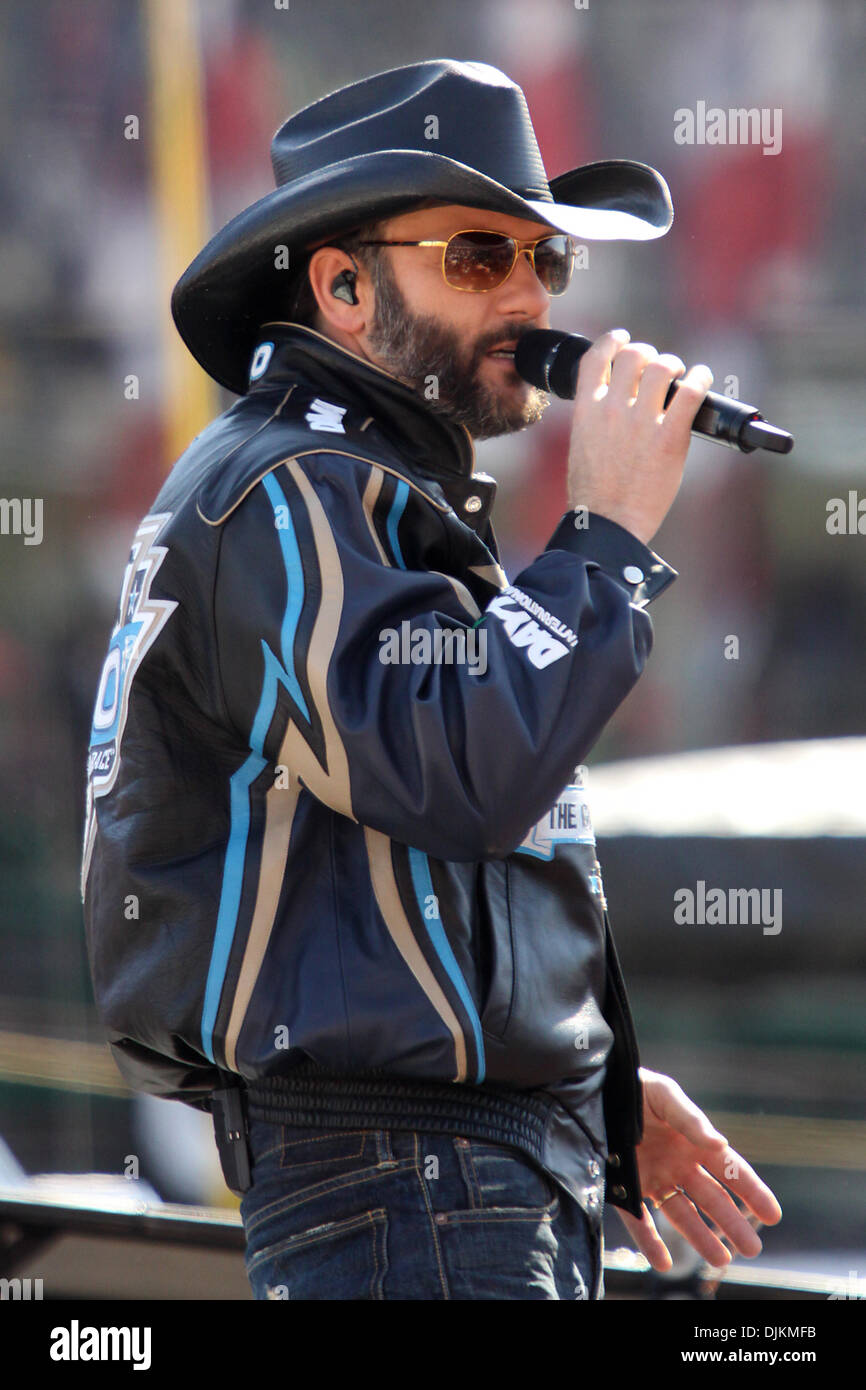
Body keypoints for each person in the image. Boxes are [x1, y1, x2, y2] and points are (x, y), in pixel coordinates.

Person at [82, 59, 781, 1300]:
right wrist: (607, 536)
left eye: (543, 261)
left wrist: (586, 1086)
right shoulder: (286, 489)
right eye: (475, 256)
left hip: (451, 1182)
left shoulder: (358, 495)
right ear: (343, 285)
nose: (528, 294)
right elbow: (457, 769)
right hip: (401, 1188)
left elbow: (430, 846)